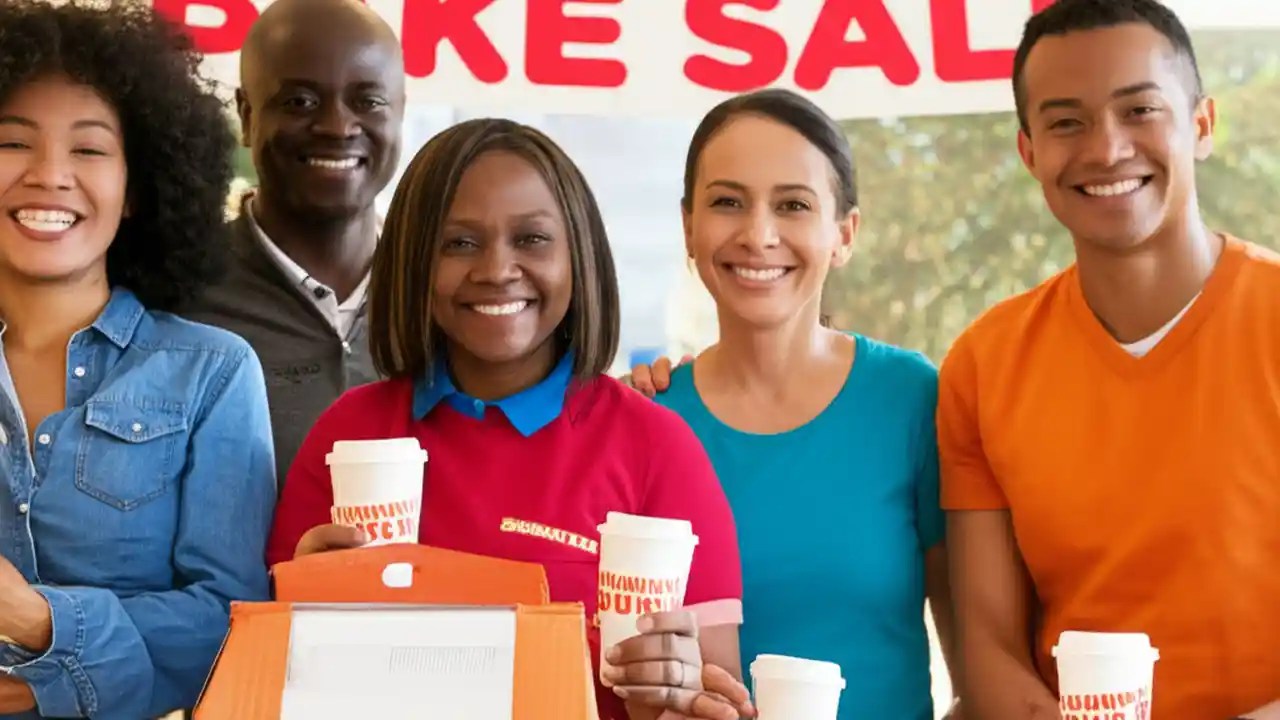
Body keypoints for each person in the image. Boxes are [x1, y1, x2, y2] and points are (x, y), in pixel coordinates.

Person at [266, 118, 752, 720]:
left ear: (580, 256)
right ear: (414, 261)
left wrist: (677, 694)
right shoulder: (349, 436)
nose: (496, 269)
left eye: (531, 240)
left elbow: (718, 698)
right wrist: (302, 616)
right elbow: (270, 687)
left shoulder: (657, 448)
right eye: (459, 243)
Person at [938, 1, 1280, 718]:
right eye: (1067, 122)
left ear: (1201, 125)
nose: (1106, 148)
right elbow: (988, 648)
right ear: (1030, 152)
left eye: (1140, 110)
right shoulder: (984, 363)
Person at [627, 88, 960, 720]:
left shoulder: (911, 398)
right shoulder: (646, 421)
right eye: (727, 202)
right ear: (688, 228)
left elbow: (974, 672)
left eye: (793, 205)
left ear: (844, 233)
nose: (759, 234)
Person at [0, 2, 276, 718]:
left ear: (137, 189)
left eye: (89, 150)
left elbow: (228, 621)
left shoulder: (212, 373)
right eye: (12, 143)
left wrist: (39, 625)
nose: (51, 176)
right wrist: (103, 653)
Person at [181, 0, 403, 490]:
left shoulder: (444, 297)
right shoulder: (174, 291)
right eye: (300, 102)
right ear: (246, 114)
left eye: (367, 101)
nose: (337, 127)